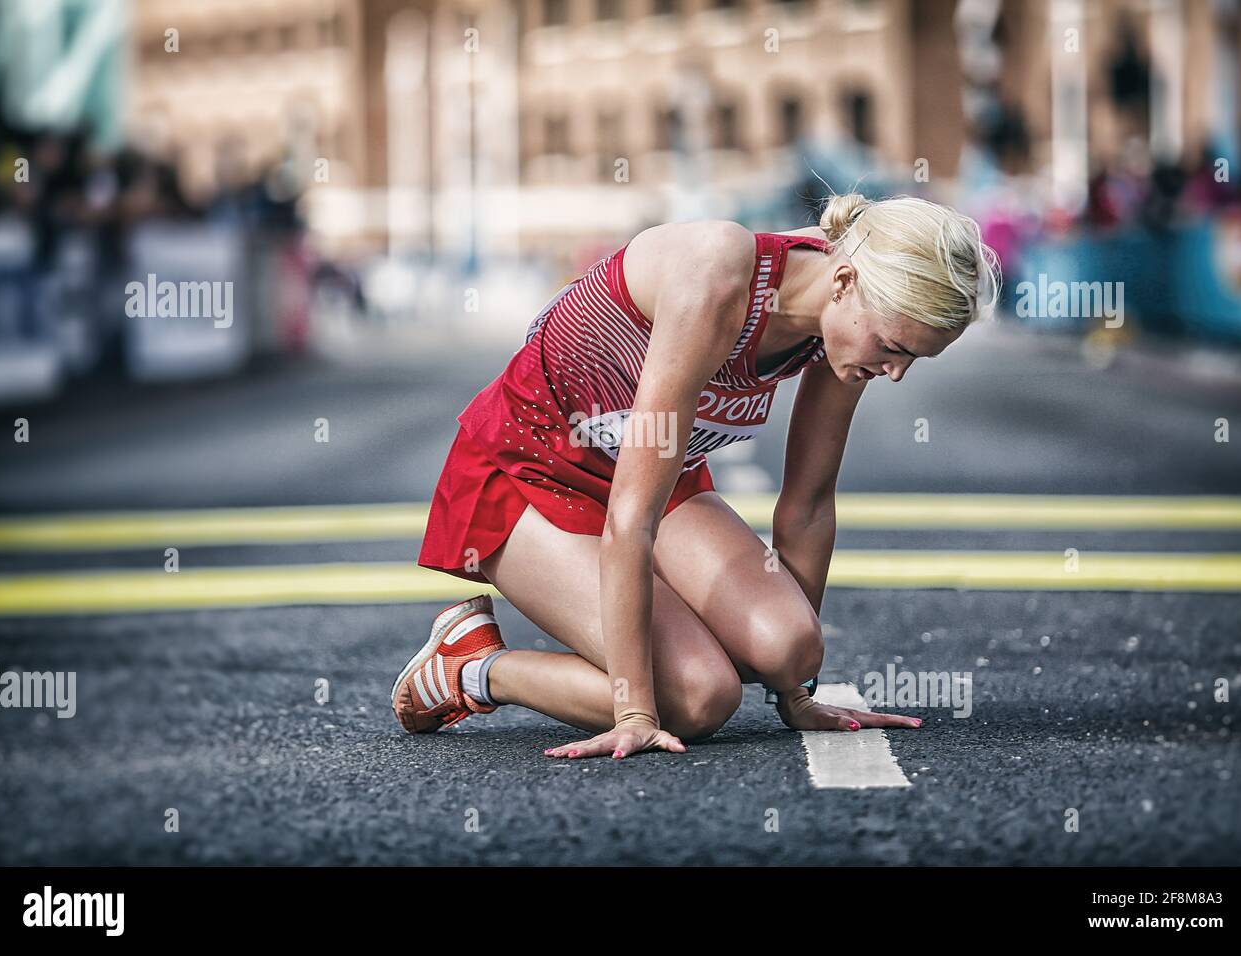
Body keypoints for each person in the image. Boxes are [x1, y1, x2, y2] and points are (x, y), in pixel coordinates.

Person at [393, 192, 1002, 760]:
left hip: (656, 475)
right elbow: (631, 519)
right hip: (529, 468)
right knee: (696, 699)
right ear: (843, 283)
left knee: (788, 646)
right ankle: (470, 666)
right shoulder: (717, 277)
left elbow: (809, 503)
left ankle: (698, 666)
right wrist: (633, 711)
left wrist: (796, 692)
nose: (894, 372)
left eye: (912, 359)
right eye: (893, 347)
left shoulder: (842, 324)